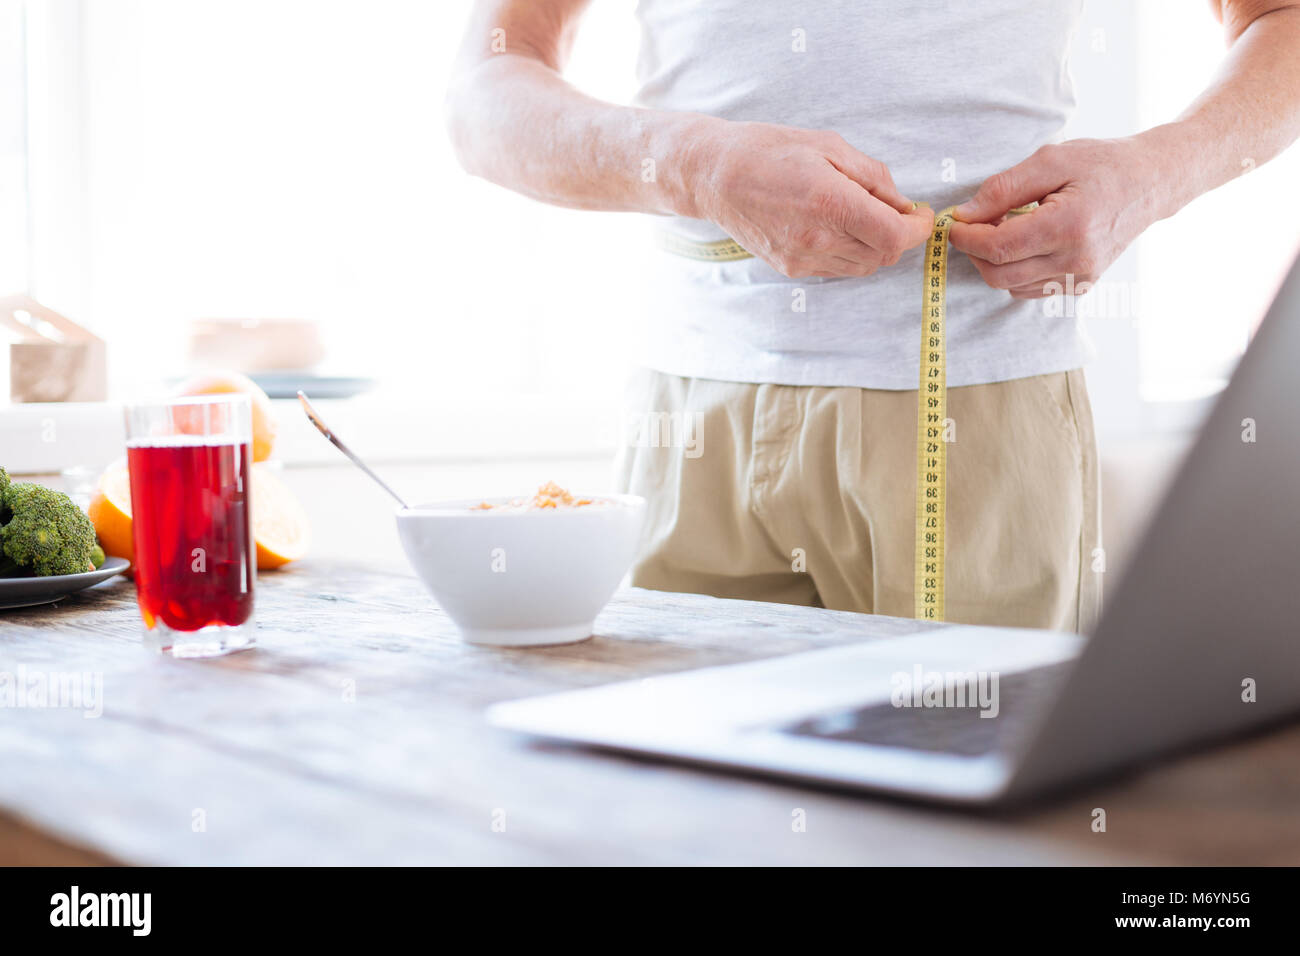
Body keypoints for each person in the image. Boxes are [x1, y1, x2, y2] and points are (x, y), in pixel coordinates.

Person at [447, 0, 1300, 632]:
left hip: (976, 408)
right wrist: (692, 165)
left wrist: (1153, 173)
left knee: (963, 831)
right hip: (687, 417)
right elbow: (483, 97)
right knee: (691, 823)